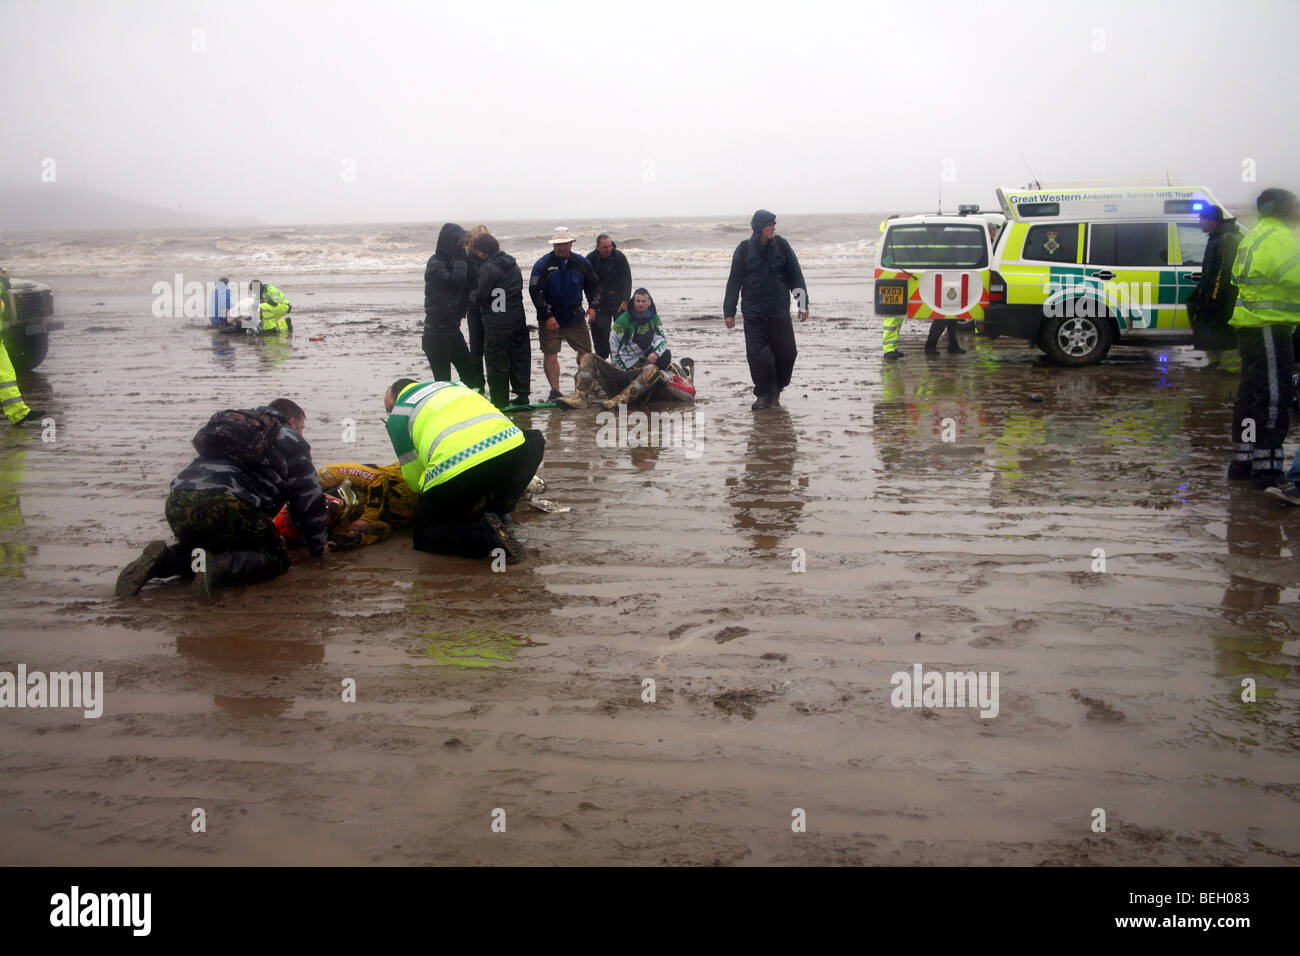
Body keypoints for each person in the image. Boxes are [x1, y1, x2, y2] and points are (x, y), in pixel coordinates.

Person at [115, 398, 333, 601]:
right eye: (302, 428)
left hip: (178, 500)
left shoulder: (239, 428)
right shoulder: (290, 438)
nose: (302, 434)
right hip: (230, 505)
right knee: (274, 556)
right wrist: (317, 546)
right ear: (292, 421)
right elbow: (308, 498)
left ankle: (161, 561)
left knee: (203, 546)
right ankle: (218, 566)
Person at [384, 378, 544, 563]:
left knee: (424, 534)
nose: (390, 414)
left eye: (389, 409)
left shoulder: (398, 417)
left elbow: (415, 481)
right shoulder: (454, 385)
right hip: (517, 452)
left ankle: (487, 537)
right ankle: (499, 510)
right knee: (534, 439)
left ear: (397, 398)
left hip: (462, 469)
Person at [1225, 188, 1300, 492]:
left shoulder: (1253, 236)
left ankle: (1243, 463)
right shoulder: (1280, 238)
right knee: (1274, 398)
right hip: (1269, 327)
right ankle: (1267, 471)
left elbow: (1235, 279)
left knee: (1251, 397)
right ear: (1283, 209)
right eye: (1295, 206)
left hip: (1250, 327)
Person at [723, 209, 808, 409]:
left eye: (774, 224)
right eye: (770, 224)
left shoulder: (782, 246)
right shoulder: (743, 250)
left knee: (788, 353)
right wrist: (729, 311)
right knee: (758, 355)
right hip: (753, 313)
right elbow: (733, 282)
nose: (774, 228)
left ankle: (777, 387)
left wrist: (802, 303)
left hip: (778, 312)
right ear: (760, 228)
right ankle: (763, 394)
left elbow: (795, 275)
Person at [557, 288, 687, 409]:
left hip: (641, 367)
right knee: (587, 357)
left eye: (643, 301)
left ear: (649, 303)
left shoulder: (654, 318)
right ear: (633, 302)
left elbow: (662, 338)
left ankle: (620, 401)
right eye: (637, 301)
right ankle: (580, 398)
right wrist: (624, 368)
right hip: (621, 368)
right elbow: (614, 348)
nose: (640, 304)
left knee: (658, 364)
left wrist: (655, 354)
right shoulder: (623, 321)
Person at [530, 227, 600, 402]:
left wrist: (593, 306)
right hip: (550, 316)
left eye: (564, 244)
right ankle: (555, 390)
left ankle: (582, 386)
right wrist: (547, 316)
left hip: (575, 316)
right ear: (553, 245)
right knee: (550, 353)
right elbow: (535, 291)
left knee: (585, 353)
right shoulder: (542, 264)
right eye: (557, 244)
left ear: (571, 244)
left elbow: (593, 285)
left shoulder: (582, 263)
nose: (561, 247)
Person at [470, 233, 531, 408]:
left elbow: (481, 295)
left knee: (496, 362)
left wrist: (470, 297)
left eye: (479, 252)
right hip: (517, 319)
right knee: (519, 358)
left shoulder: (488, 268)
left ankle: (499, 400)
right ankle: (522, 395)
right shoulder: (513, 265)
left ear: (483, 251)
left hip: (496, 324)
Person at [423, 223, 484, 391]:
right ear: (450, 243)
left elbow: (474, 283)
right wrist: (460, 260)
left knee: (469, 376)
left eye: (464, 244)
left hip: (453, 330)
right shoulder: (435, 263)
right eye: (460, 243)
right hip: (434, 333)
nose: (463, 247)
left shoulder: (460, 261)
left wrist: (471, 260)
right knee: (443, 383)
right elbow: (455, 282)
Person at [1187, 204, 1242, 371]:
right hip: (1216, 294)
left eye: (1202, 219)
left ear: (1213, 221)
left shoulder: (1226, 239)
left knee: (1224, 332)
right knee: (1212, 330)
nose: (1200, 223)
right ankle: (1215, 363)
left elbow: (1222, 272)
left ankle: (1230, 369)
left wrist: (1214, 298)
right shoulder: (1217, 237)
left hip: (1224, 297)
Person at [587, 233, 632, 360]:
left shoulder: (620, 257)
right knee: (600, 332)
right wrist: (591, 305)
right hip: (599, 301)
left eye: (609, 246)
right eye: (605, 247)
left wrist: (625, 300)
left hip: (618, 300)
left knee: (621, 332)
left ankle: (619, 359)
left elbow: (627, 280)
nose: (608, 249)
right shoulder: (590, 259)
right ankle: (602, 358)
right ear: (598, 247)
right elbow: (587, 283)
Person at [464, 224, 492, 390]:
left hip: (491, 309)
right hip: (474, 309)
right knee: (476, 348)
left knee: (490, 348)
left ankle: (493, 383)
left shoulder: (491, 258)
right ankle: (478, 384)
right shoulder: (466, 259)